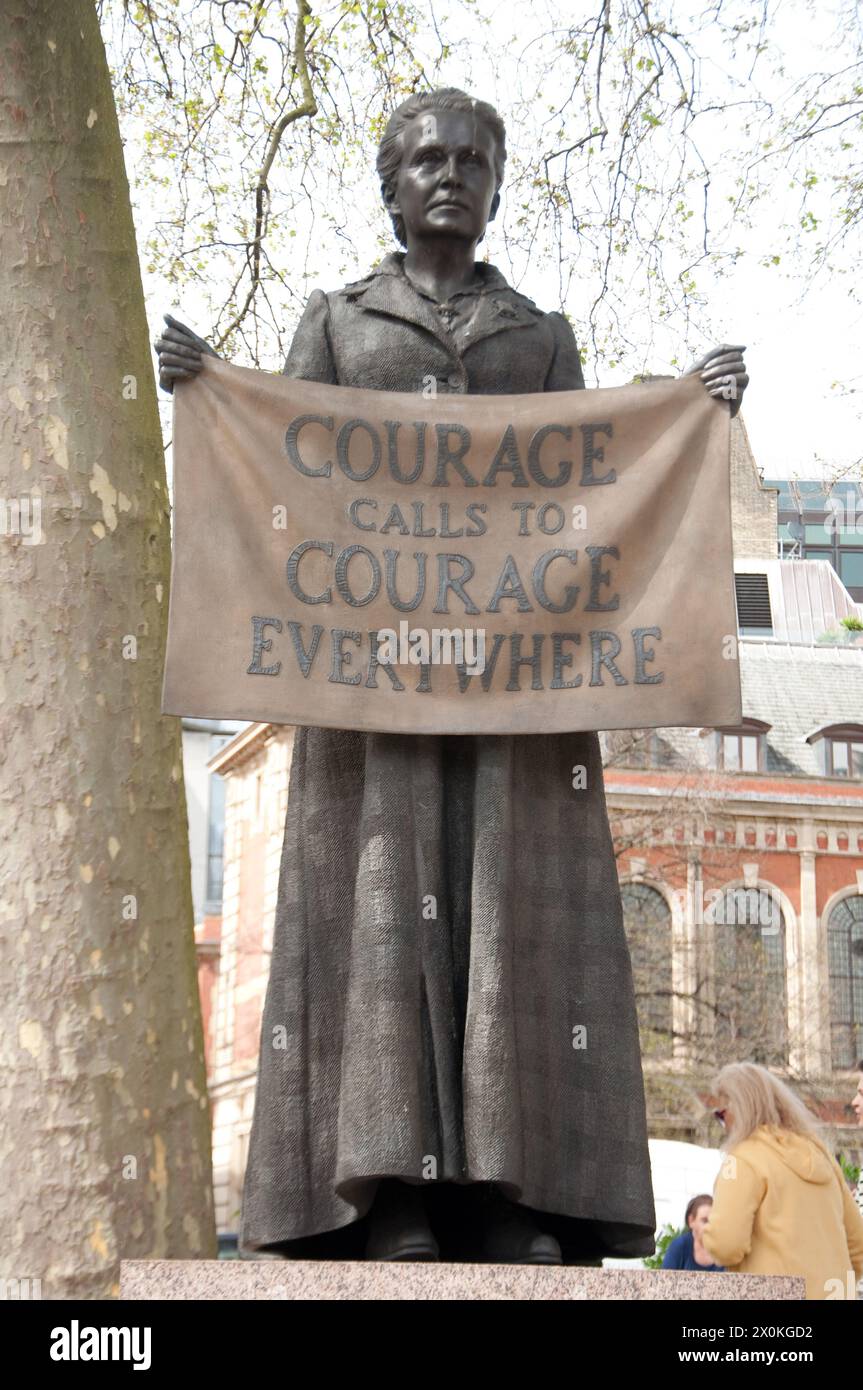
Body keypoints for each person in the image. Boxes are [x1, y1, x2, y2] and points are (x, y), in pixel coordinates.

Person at [156, 87, 749, 1265]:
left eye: (473, 158)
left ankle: (506, 1193)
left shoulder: (541, 336)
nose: (450, 174)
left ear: (493, 184)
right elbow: (279, 473)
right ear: (391, 182)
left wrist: (693, 407)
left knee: (511, 929)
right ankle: (385, 1198)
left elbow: (599, 493)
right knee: (382, 924)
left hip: (515, 702)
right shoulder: (335, 321)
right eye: (427, 157)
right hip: (370, 702)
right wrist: (208, 386)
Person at [702, 1062, 863, 1299]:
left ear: (740, 1108)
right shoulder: (822, 1156)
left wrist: (709, 1233)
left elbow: (726, 1245)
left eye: (721, 1115)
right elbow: (858, 1247)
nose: (723, 1125)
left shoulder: (743, 1160)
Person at [662, 1195, 724, 1272]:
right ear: (691, 1221)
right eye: (705, 1221)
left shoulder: (725, 1249)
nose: (710, 1227)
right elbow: (665, 1280)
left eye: (713, 1221)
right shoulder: (680, 1246)